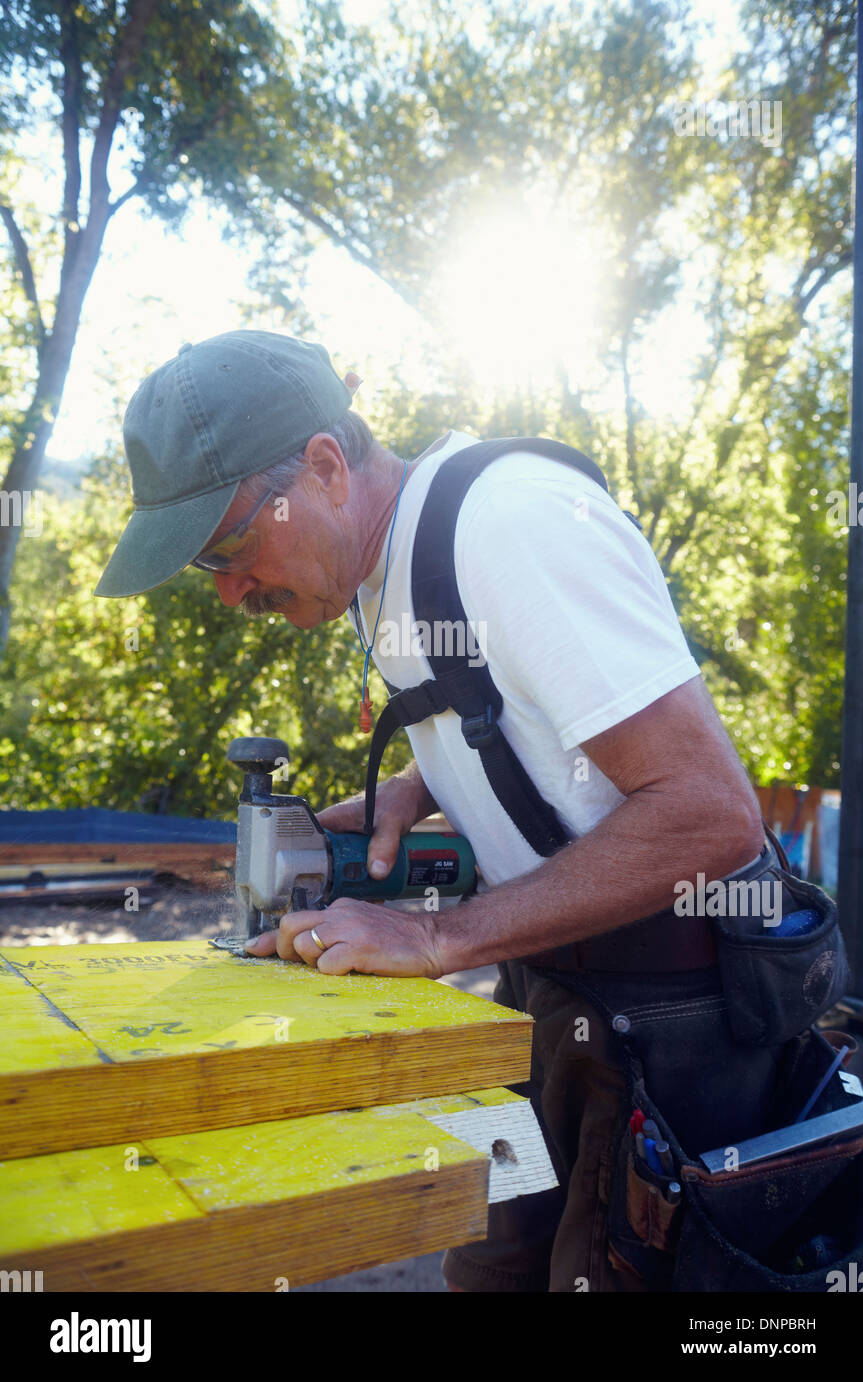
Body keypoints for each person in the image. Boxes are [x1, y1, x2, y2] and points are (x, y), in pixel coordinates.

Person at [96, 330, 788, 1292]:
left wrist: (440, 938)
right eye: (205, 568)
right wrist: (428, 781)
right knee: (488, 1268)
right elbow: (529, 708)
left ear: (327, 469)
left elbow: (713, 817)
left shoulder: (510, 527)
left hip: (675, 1012)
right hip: (545, 991)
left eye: (231, 546)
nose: (228, 592)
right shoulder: (379, 571)